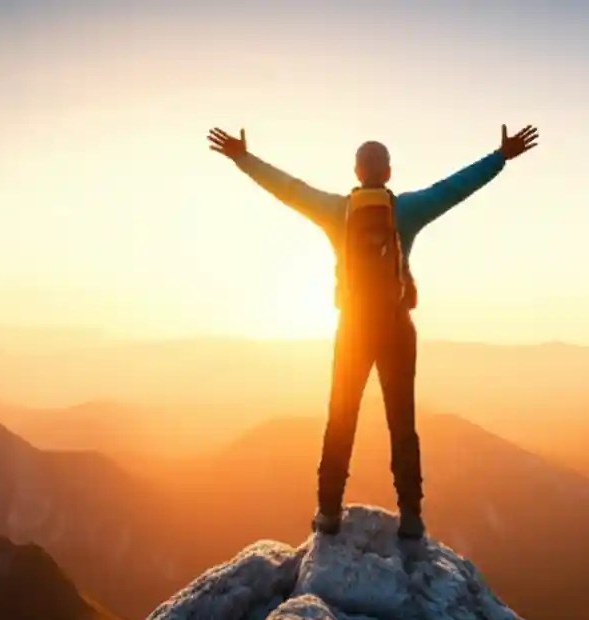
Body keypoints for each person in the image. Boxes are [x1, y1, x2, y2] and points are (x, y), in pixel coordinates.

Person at [207, 123, 540, 538]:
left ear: (356, 171)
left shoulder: (336, 211)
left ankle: (329, 512)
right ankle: (411, 517)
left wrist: (243, 158)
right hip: (397, 328)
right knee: (402, 423)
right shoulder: (408, 210)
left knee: (341, 418)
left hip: (353, 330)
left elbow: (289, 189)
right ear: (388, 171)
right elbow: (454, 188)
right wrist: (500, 157)